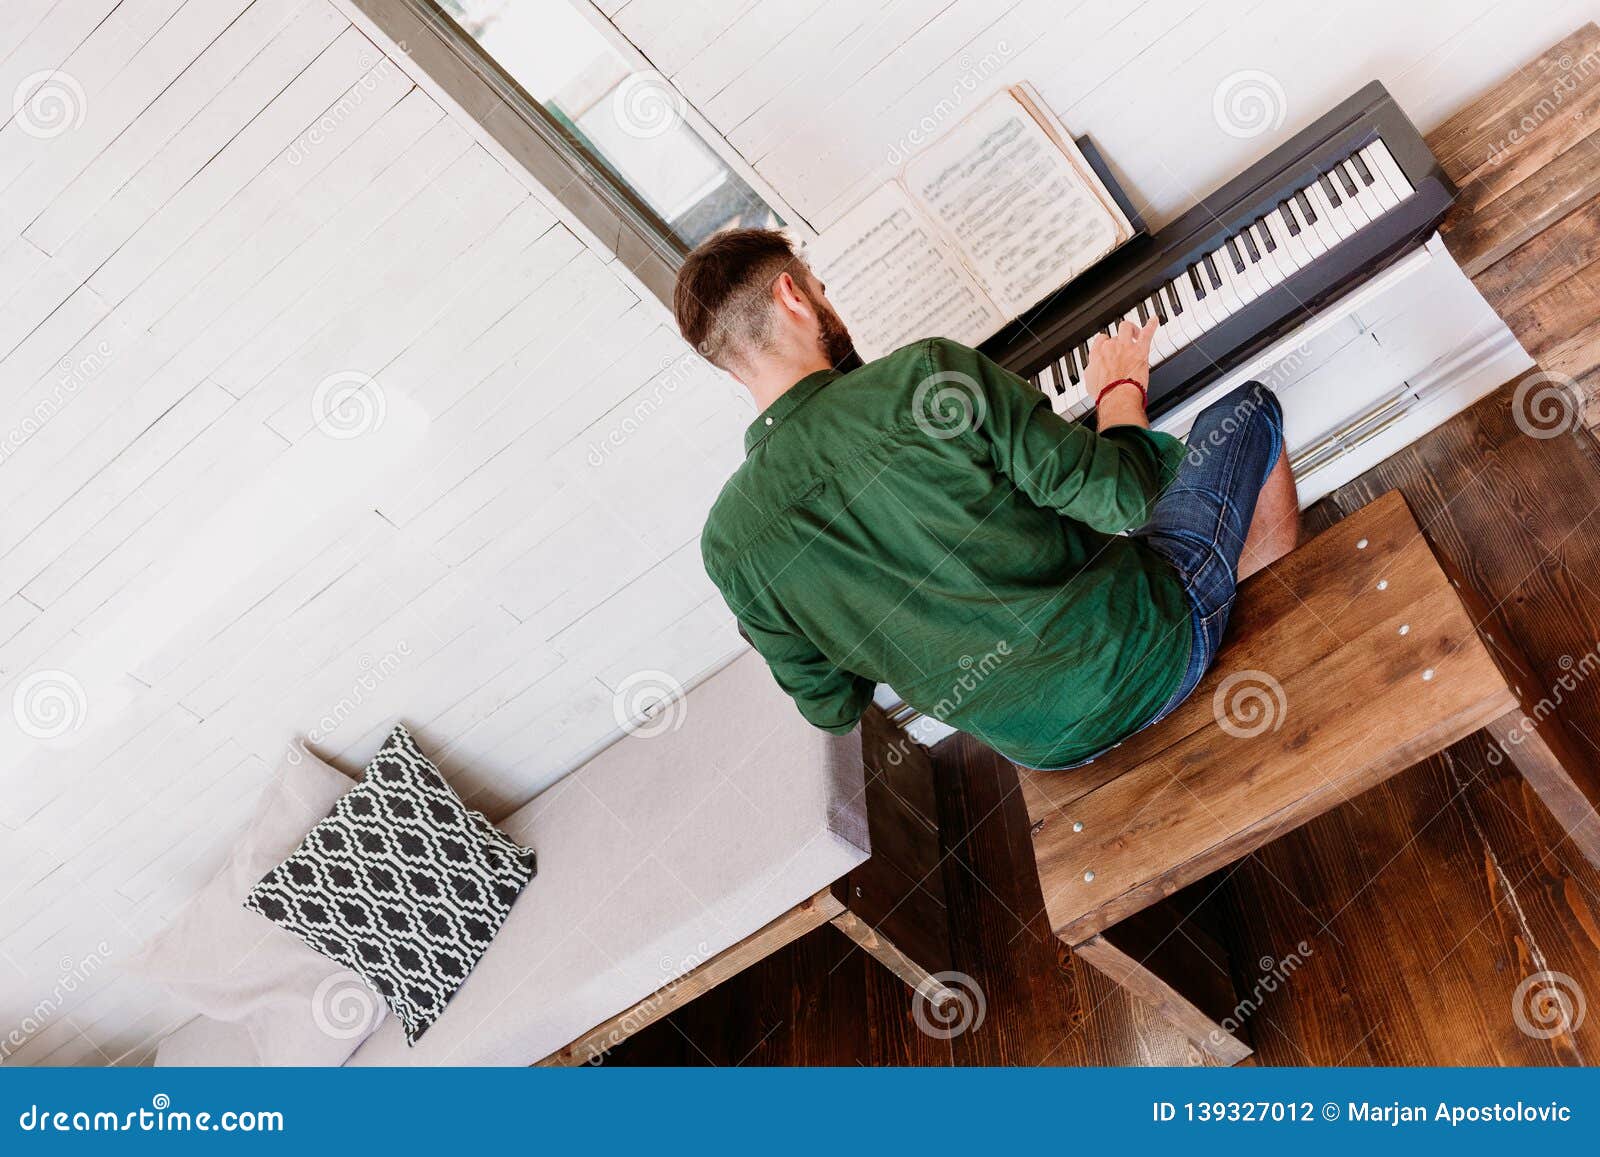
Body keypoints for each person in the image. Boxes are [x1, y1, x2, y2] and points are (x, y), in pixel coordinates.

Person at [674, 228, 1299, 769]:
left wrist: (782, 607)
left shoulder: (727, 546)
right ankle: (1276, 625)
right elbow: (1125, 499)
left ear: (726, 364)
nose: (826, 303)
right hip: (1152, 655)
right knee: (1248, 409)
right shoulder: (923, 375)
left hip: (1042, 745)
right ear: (792, 296)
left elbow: (834, 708)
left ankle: (1226, 606)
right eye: (821, 290)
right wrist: (1119, 393)